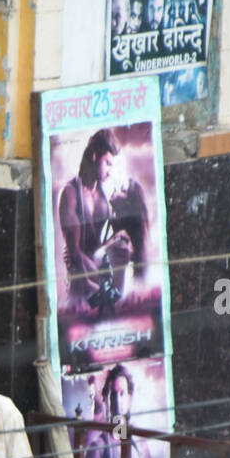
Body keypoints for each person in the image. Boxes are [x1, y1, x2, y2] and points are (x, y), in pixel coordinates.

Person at [57, 130, 136, 318]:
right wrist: (102, 282)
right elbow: (75, 254)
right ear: (94, 157)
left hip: (102, 287)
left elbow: (98, 251)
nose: (110, 171)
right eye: (107, 163)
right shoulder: (71, 193)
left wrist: (116, 241)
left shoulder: (102, 197)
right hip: (81, 292)